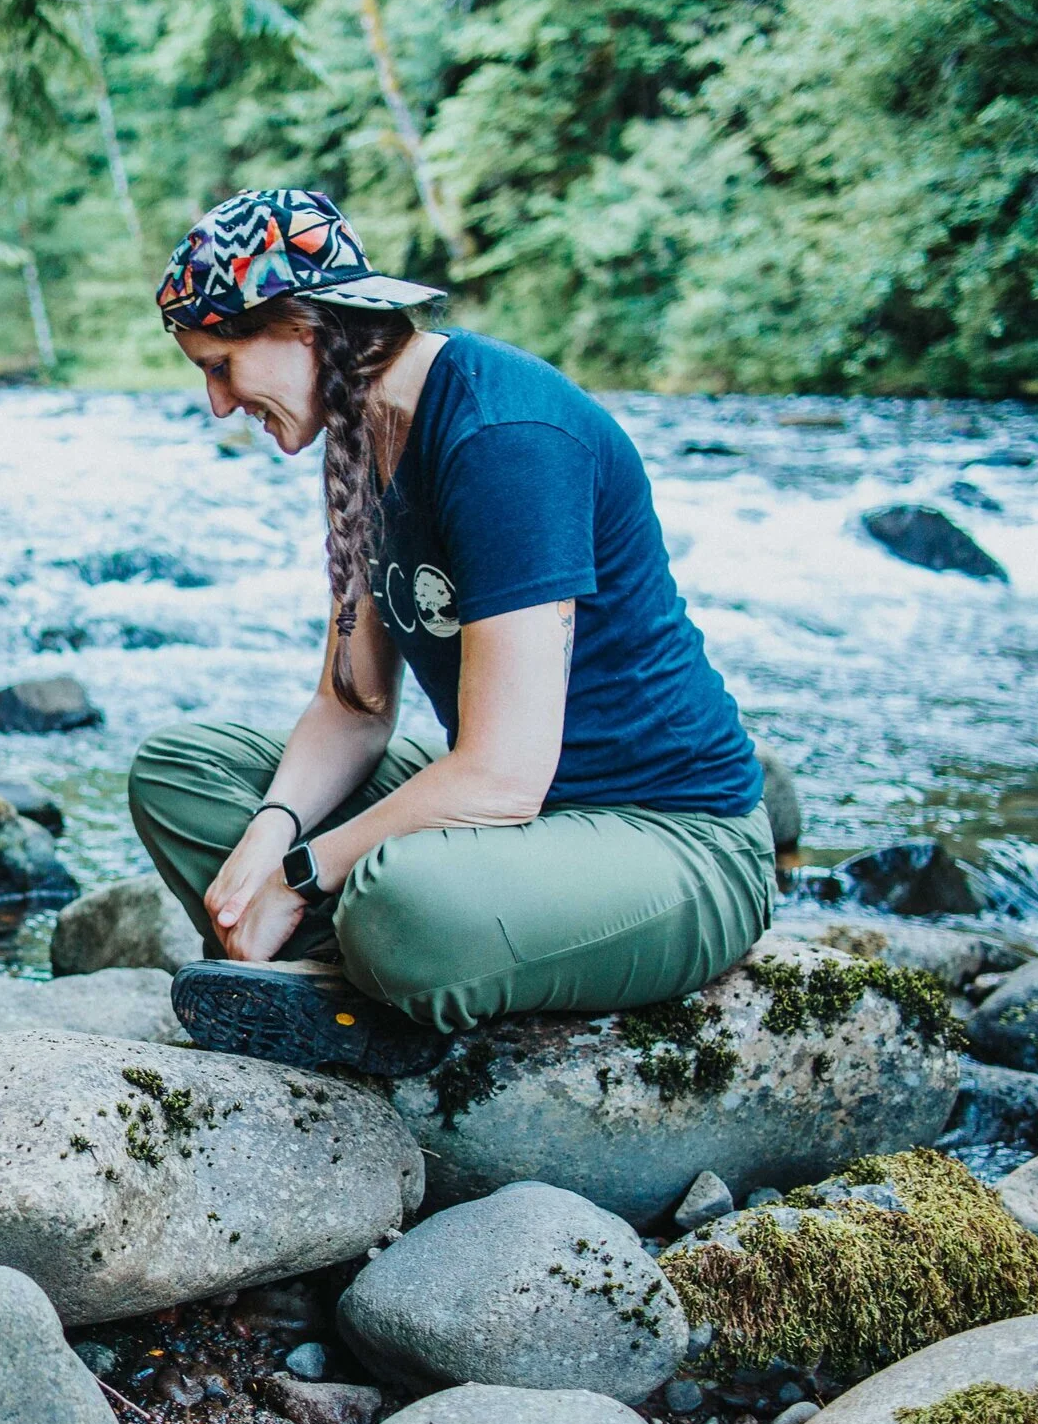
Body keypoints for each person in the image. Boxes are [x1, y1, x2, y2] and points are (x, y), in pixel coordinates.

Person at [129, 189, 773, 1076]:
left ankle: (377, 966)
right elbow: (352, 706)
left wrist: (301, 874)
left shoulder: (504, 437)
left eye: (221, 365)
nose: (216, 402)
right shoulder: (359, 436)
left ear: (302, 327)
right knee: (180, 773)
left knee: (401, 903)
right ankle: (367, 982)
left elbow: (503, 775)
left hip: (670, 838)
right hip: (517, 825)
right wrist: (272, 833)